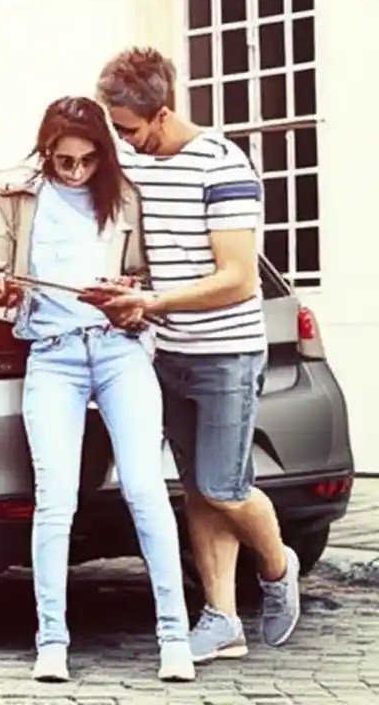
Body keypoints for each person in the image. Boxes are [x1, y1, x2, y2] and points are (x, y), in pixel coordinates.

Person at [83, 46, 300, 664]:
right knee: (198, 493)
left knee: (226, 486)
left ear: (162, 112)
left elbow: (237, 278)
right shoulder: (136, 164)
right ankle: (222, 620)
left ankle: (279, 570)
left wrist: (152, 304)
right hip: (169, 352)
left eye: (129, 128)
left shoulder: (222, 164)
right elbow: (146, 257)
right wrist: (128, 289)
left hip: (226, 353)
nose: (123, 141)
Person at [0, 96, 194, 683]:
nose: (74, 171)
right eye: (63, 160)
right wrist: (1, 290)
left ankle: (173, 637)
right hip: (53, 356)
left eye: (85, 161)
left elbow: (148, 281)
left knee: (147, 490)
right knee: (56, 499)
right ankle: (52, 642)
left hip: (118, 348)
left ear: (102, 152)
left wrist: (128, 294)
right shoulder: (18, 194)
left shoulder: (125, 196)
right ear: (46, 150)